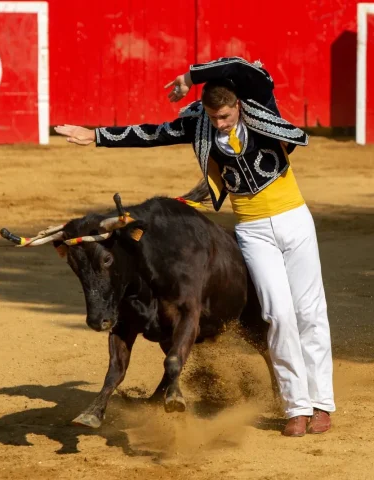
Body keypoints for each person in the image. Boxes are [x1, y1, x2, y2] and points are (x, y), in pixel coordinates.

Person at [55, 56, 335, 437]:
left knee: (309, 312)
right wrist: (96, 136)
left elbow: (238, 65)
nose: (220, 124)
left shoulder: (258, 103)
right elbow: (152, 133)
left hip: (295, 219)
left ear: (237, 105)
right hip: (252, 229)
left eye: (225, 116)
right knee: (279, 315)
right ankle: (297, 408)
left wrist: (191, 76)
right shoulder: (200, 124)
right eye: (214, 118)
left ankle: (321, 403)